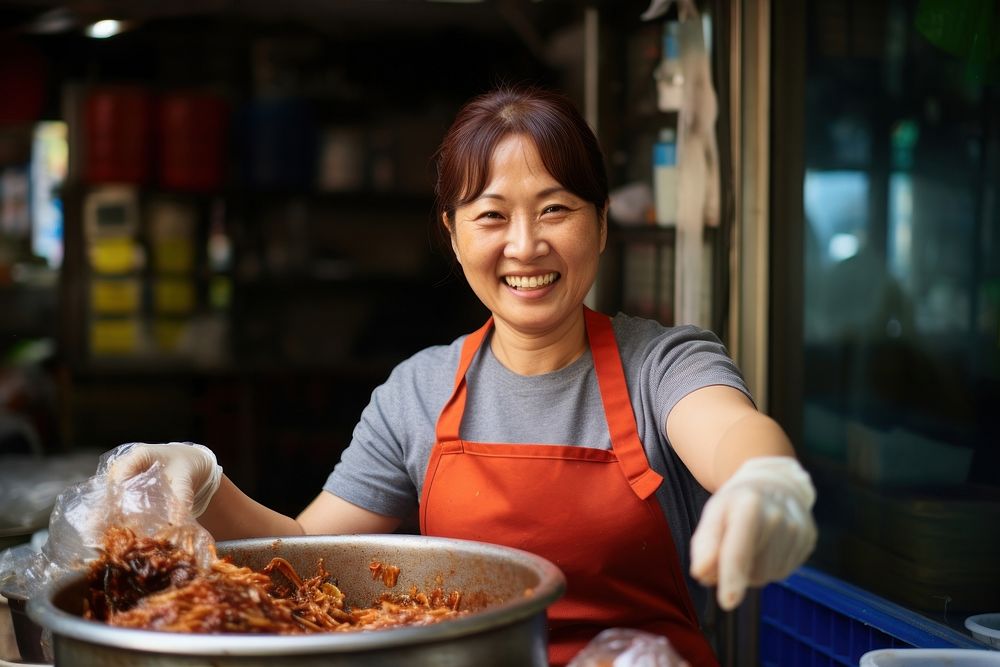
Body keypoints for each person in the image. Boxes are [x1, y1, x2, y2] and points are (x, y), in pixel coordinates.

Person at [110, 85, 817, 667]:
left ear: (601, 224)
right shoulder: (418, 391)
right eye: (492, 216)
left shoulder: (661, 363)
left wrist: (765, 477)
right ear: (453, 235)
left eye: (556, 209)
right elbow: (305, 557)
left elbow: (730, 431)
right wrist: (205, 483)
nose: (525, 245)